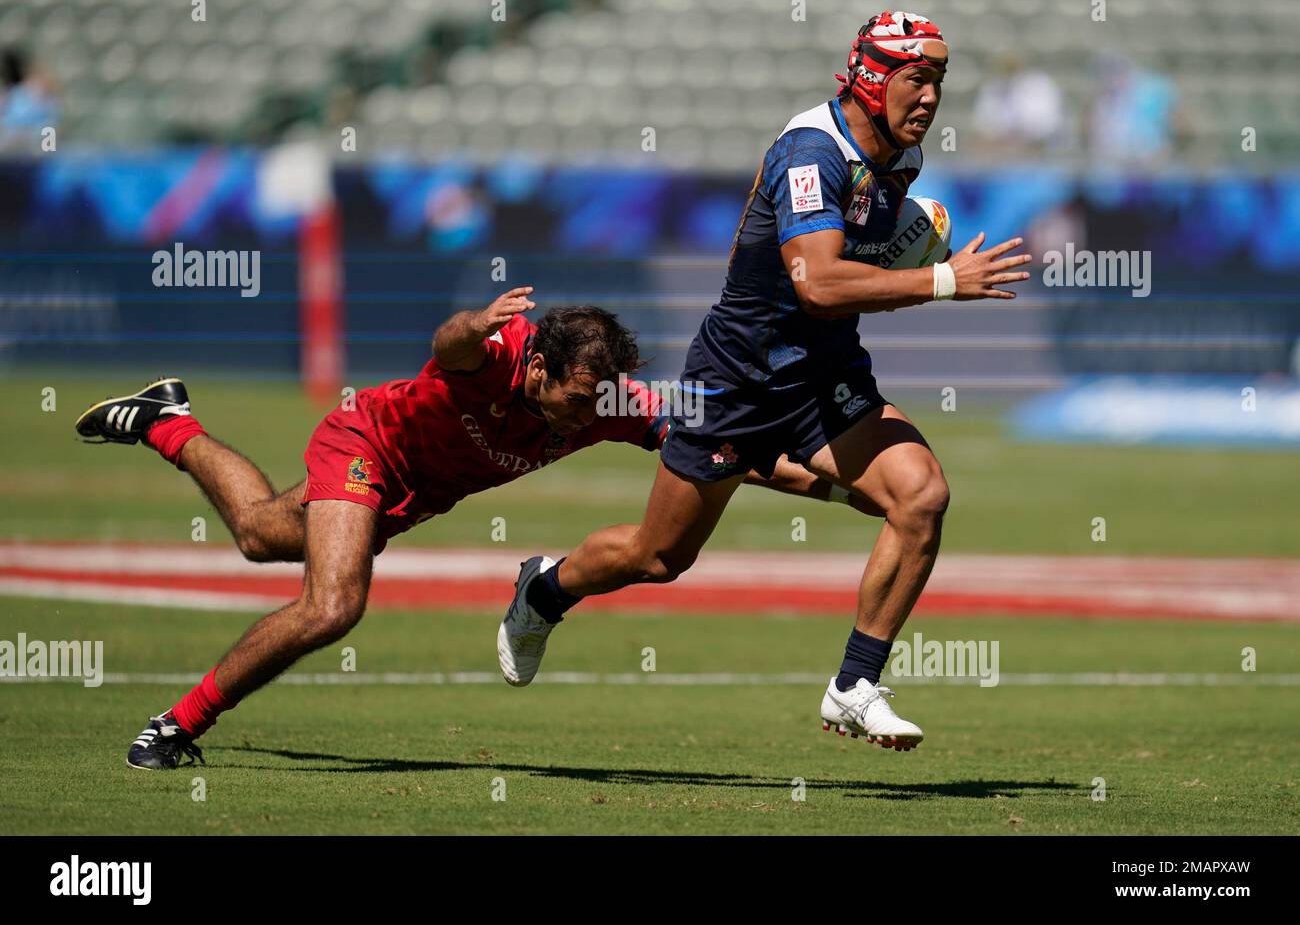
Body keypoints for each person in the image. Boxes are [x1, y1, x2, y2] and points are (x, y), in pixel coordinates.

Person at [497, 13, 1032, 752]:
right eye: (917, 79)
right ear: (873, 77)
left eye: (939, 81)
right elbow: (816, 283)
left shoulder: (900, 156)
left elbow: (852, 269)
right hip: (737, 380)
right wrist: (940, 278)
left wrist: (907, 245)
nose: (931, 98)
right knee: (659, 557)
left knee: (921, 497)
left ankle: (855, 685)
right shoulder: (813, 151)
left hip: (824, 377)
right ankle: (544, 591)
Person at [75, 288, 868, 769]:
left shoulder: (608, 400)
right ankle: (176, 724)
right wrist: (476, 322)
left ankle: (166, 422)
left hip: (417, 493)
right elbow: (447, 344)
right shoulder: (495, 356)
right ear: (535, 369)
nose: (592, 416)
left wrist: (840, 490)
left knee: (254, 534)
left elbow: (730, 454)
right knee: (332, 606)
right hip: (364, 444)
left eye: (604, 400)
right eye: (578, 400)